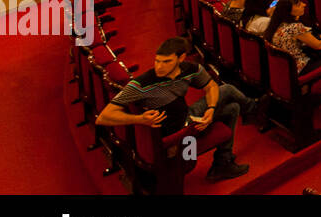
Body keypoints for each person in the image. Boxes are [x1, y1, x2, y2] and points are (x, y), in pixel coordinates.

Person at [96, 36, 251, 182]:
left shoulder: (190, 69)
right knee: (229, 92)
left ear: (181, 58)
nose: (159, 67)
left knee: (233, 106)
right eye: (157, 61)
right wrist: (139, 119)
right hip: (179, 133)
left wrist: (211, 109)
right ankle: (253, 111)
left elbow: (210, 86)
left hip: (187, 116)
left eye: (166, 62)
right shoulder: (143, 84)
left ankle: (222, 163)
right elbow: (103, 117)